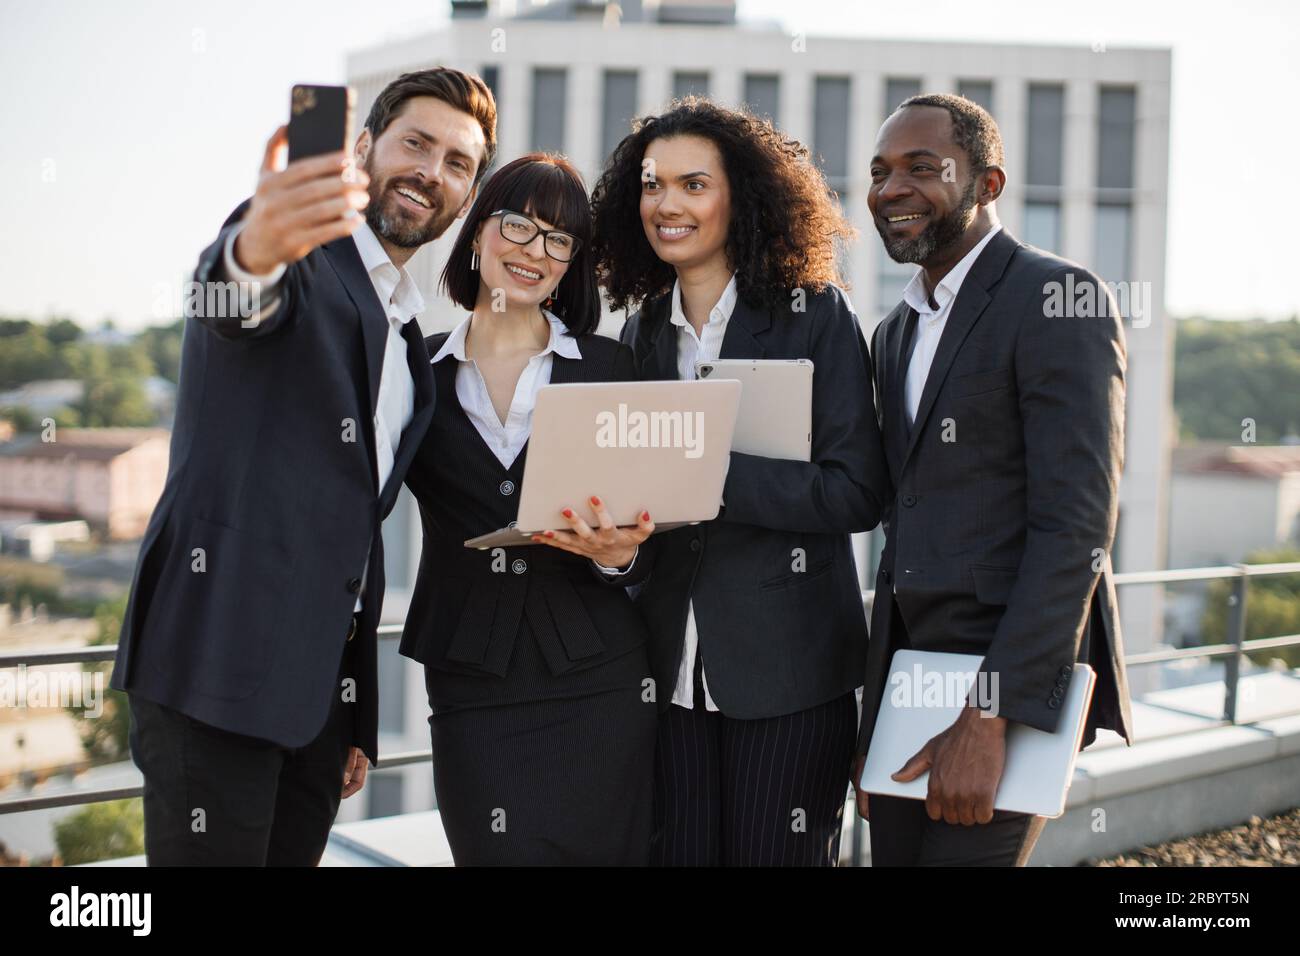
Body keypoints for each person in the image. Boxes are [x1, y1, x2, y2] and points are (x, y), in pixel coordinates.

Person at [110, 68, 497, 865]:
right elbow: (225, 302)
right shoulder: (295, 256)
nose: (432, 171)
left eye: (458, 164)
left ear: (466, 197)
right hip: (213, 671)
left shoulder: (409, 343)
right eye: (415, 144)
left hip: (317, 710)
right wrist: (256, 249)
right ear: (362, 148)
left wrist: (353, 713)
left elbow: (353, 534)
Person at [552, 98, 889, 866]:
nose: (666, 204)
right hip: (669, 683)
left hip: (791, 682)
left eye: (693, 184)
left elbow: (857, 492)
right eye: (650, 184)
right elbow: (643, 503)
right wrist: (618, 549)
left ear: (741, 197)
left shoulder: (814, 316)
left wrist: (703, 468)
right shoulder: (639, 332)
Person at [849, 93, 1134, 866]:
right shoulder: (895, 330)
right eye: (879, 172)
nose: (890, 189)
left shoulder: (1057, 299)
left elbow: (1076, 527)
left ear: (988, 183)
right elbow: (901, 520)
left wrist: (990, 713)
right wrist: (878, 717)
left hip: (1001, 682)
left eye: (920, 168)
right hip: (909, 683)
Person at [400, 153, 658, 865]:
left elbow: (656, 530)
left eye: (559, 240)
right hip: (473, 682)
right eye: (519, 226)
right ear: (479, 232)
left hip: (601, 684)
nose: (534, 252)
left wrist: (622, 558)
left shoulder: (615, 369)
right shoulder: (413, 370)